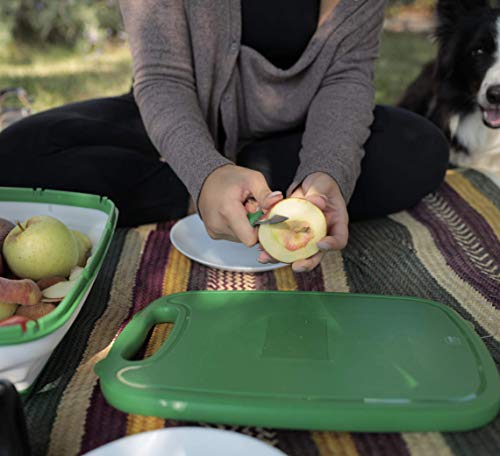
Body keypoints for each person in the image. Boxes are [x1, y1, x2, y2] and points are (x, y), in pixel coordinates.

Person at [0, 0, 449, 272]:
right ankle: (220, 192)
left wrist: (327, 170)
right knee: (17, 153)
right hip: (181, 117)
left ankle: (246, 187)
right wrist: (204, 170)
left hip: (291, 131)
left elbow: (347, 78)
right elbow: (162, 77)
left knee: (419, 149)